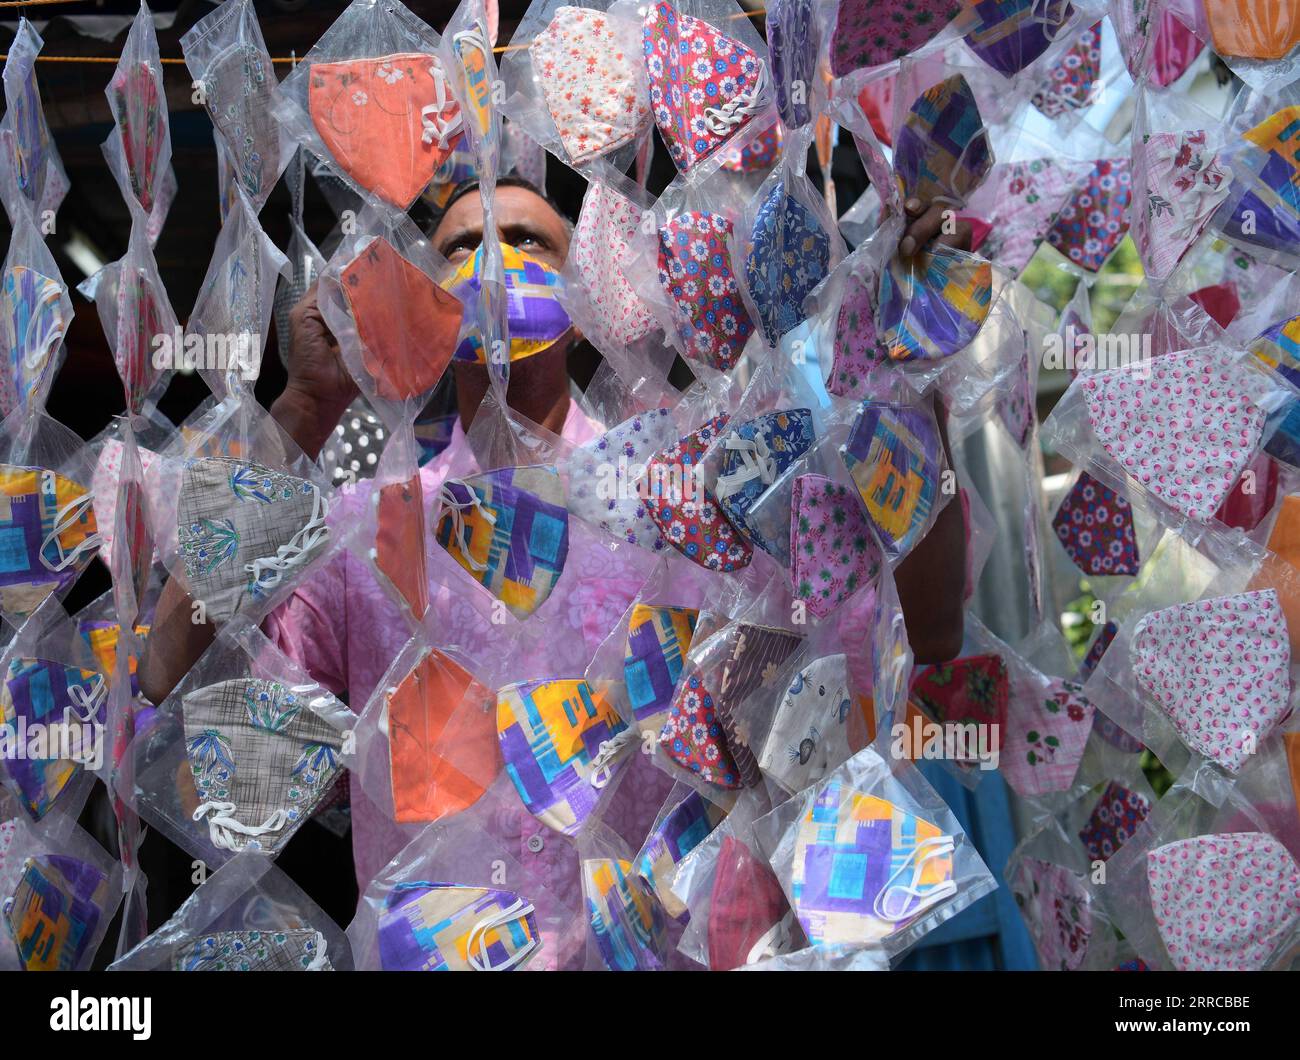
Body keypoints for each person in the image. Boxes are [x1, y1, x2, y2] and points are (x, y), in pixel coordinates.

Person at [139, 176, 969, 888]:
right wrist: (306, 408)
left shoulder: (685, 504)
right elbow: (167, 672)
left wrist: (912, 370)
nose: (492, 265)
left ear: (582, 301)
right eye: (460, 250)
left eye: (527, 240)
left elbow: (922, 631)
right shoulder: (367, 527)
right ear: (422, 307)